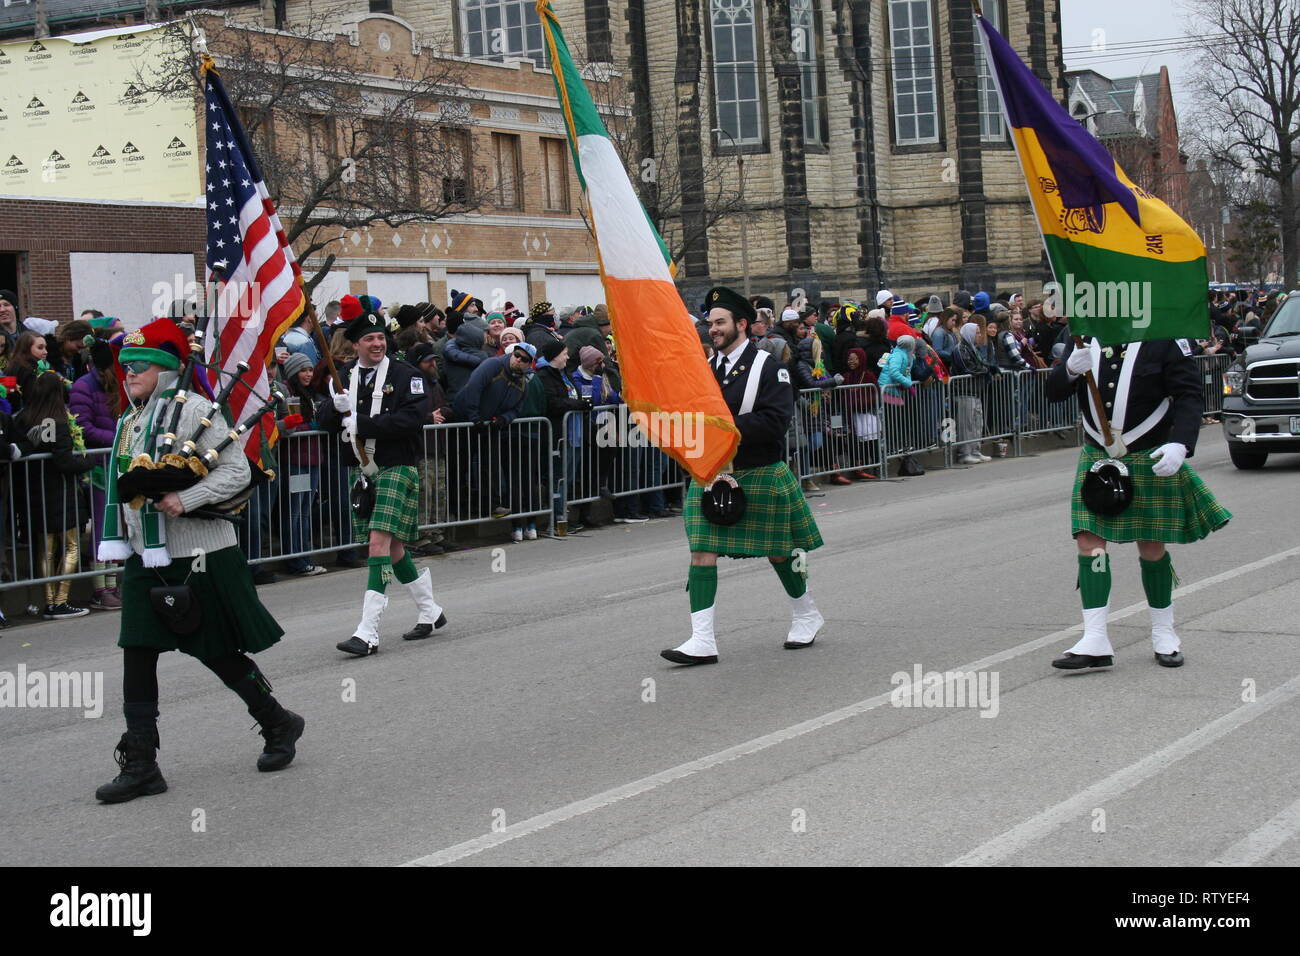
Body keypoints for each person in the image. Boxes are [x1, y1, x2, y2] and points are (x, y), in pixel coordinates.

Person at [93, 319, 303, 803]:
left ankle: (277, 722)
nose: (130, 375)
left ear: (166, 370)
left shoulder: (197, 412)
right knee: (138, 650)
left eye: (140, 367)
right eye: (126, 368)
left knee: (214, 649)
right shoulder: (131, 421)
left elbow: (235, 472)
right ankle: (142, 762)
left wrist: (186, 500)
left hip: (201, 552)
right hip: (147, 555)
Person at [1045, 335, 1232, 671]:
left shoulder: (1164, 336)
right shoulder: (1082, 335)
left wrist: (1181, 443)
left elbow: (1189, 395)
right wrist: (1069, 370)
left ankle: (1164, 631)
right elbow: (1053, 393)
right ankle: (1096, 636)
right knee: (1090, 542)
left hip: (1148, 451)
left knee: (1151, 543)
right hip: (1097, 455)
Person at [661, 286, 825, 666]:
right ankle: (702, 639)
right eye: (710, 323)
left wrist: (721, 427)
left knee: (779, 552)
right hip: (712, 474)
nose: (712, 329)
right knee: (701, 550)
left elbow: (775, 422)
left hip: (759, 471)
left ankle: (806, 614)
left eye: (719, 322)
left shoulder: (770, 368)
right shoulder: (704, 369)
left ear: (742, 324)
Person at [317, 306, 448, 657]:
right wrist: (334, 406)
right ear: (356, 344)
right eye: (369, 339)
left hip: (396, 466)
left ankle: (368, 631)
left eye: (380, 338)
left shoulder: (405, 375)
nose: (376, 344)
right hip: (360, 471)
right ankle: (430, 610)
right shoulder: (341, 375)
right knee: (392, 548)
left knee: (377, 543)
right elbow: (323, 422)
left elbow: (413, 418)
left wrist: (364, 423)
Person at [16, 371, 95, 619]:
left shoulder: (24, 418)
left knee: (46, 549)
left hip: (36, 491)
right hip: (60, 491)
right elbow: (63, 461)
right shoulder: (57, 420)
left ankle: (50, 602)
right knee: (70, 546)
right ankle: (60, 602)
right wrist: (88, 461)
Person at [69, 338, 125, 609]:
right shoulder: (84, 386)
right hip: (99, 467)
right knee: (103, 528)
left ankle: (114, 583)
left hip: (119, 464)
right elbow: (83, 428)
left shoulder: (123, 383)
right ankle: (99, 588)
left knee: (118, 528)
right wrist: (119, 438)